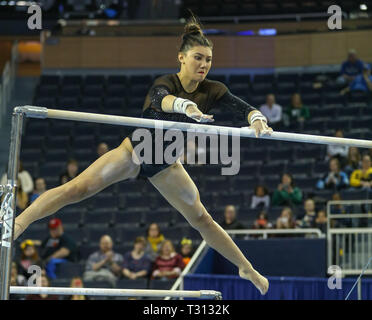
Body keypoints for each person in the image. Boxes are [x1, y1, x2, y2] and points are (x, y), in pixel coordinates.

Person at [13, 14, 272, 295]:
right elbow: (163, 100)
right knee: (77, 188)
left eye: (208, 59)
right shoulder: (165, 82)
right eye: (198, 57)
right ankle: (18, 223)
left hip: (165, 165)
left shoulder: (214, 90)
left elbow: (241, 107)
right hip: (134, 153)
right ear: (181, 58)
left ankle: (246, 267)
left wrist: (256, 119)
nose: (204, 65)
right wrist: (187, 107)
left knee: (203, 220)